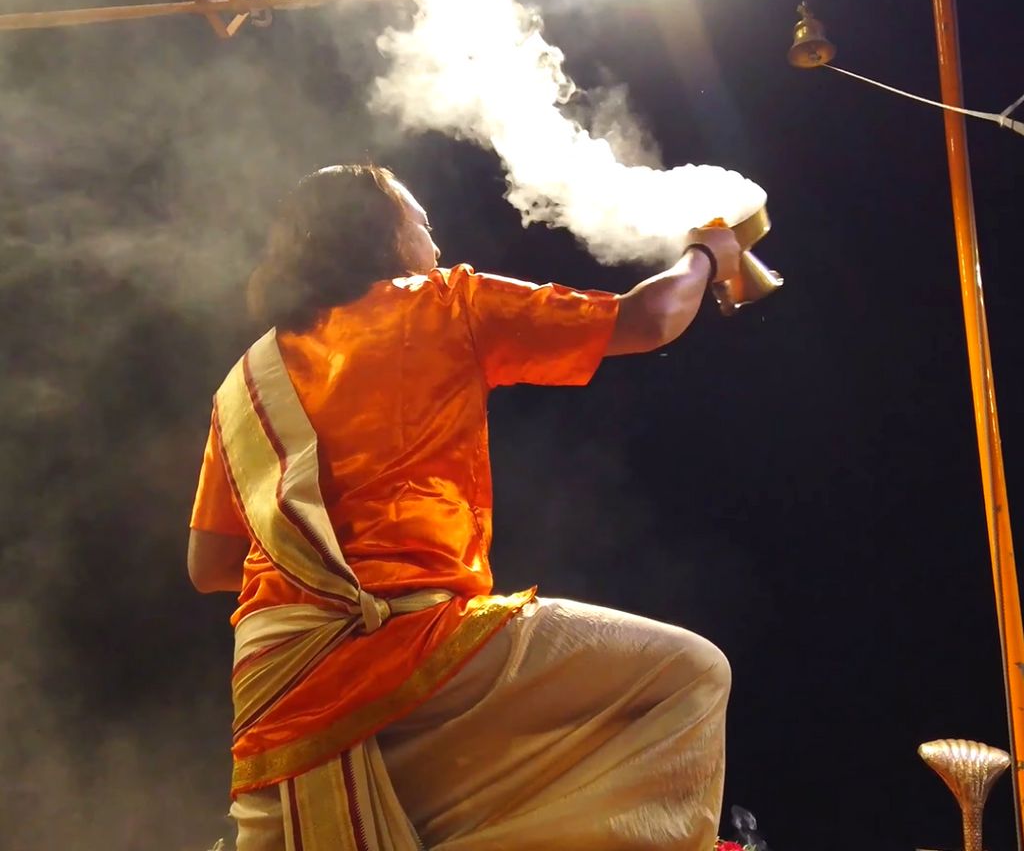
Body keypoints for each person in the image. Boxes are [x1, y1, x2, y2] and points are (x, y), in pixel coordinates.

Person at [188, 164, 742, 851]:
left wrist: (320, 582)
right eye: (421, 222)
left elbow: (209, 565)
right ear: (384, 235)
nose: (435, 240)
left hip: (279, 685)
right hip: (418, 649)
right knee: (688, 674)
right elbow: (649, 317)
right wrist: (705, 255)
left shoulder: (244, 383)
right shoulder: (444, 304)